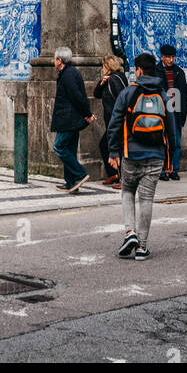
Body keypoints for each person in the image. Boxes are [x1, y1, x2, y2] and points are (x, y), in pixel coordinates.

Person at [107, 52, 175, 262]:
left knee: (127, 191)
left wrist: (113, 152)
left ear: (138, 70)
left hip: (131, 153)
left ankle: (130, 233)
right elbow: (171, 130)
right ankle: (142, 247)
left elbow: (115, 124)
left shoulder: (128, 93)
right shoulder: (165, 95)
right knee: (146, 199)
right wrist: (170, 161)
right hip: (156, 155)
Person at [50, 46, 96, 193]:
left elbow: (78, 97)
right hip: (71, 119)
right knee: (69, 148)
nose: (53, 61)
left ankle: (79, 174)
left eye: (54, 58)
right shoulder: (69, 72)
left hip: (68, 119)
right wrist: (86, 114)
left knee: (59, 146)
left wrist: (87, 114)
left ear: (60, 60)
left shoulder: (68, 74)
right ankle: (71, 183)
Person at [94, 54, 128, 186]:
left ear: (108, 67)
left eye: (103, 66)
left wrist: (118, 117)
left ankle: (122, 179)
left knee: (116, 147)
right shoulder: (113, 78)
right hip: (112, 121)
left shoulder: (115, 80)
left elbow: (121, 100)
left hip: (116, 121)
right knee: (106, 145)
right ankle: (114, 174)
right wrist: (101, 83)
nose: (102, 68)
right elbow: (96, 94)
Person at [156, 43, 187, 180]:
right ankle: (163, 170)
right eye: (168, 57)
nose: (171, 60)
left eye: (173, 57)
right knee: (163, 141)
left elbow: (184, 94)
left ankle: (174, 169)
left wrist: (183, 112)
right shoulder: (156, 71)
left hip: (176, 110)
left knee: (177, 142)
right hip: (162, 110)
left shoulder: (179, 72)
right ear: (162, 57)